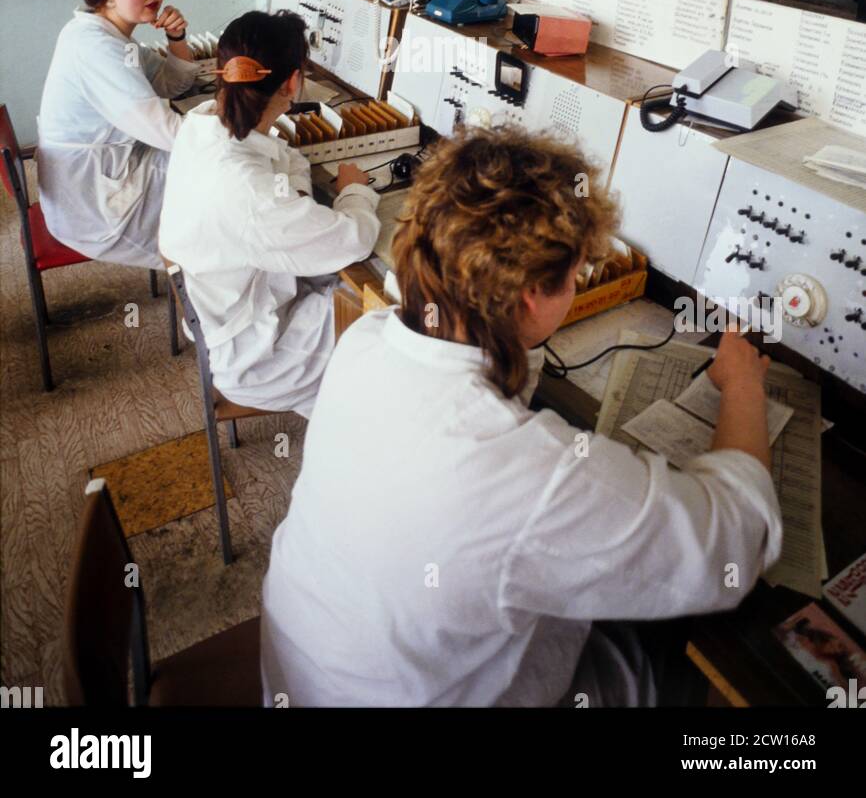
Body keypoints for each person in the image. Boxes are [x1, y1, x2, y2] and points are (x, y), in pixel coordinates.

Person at [260, 125, 783, 707]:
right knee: (674, 642)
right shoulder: (524, 468)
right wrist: (741, 387)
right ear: (533, 294)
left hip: (307, 677)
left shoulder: (369, 338)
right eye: (576, 272)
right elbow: (739, 539)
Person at [158, 9, 380, 416]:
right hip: (258, 361)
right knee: (388, 310)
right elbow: (357, 239)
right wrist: (354, 190)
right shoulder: (252, 195)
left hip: (234, 315)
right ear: (294, 83)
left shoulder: (200, 123)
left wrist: (295, 195)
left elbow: (285, 158)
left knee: (348, 287)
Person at [37, 0, 200, 268]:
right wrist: (241, 132)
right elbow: (169, 133)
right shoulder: (95, 47)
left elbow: (173, 83)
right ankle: (207, 283)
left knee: (215, 177)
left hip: (111, 172)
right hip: (92, 206)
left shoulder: (107, 35)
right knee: (218, 192)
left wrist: (177, 36)